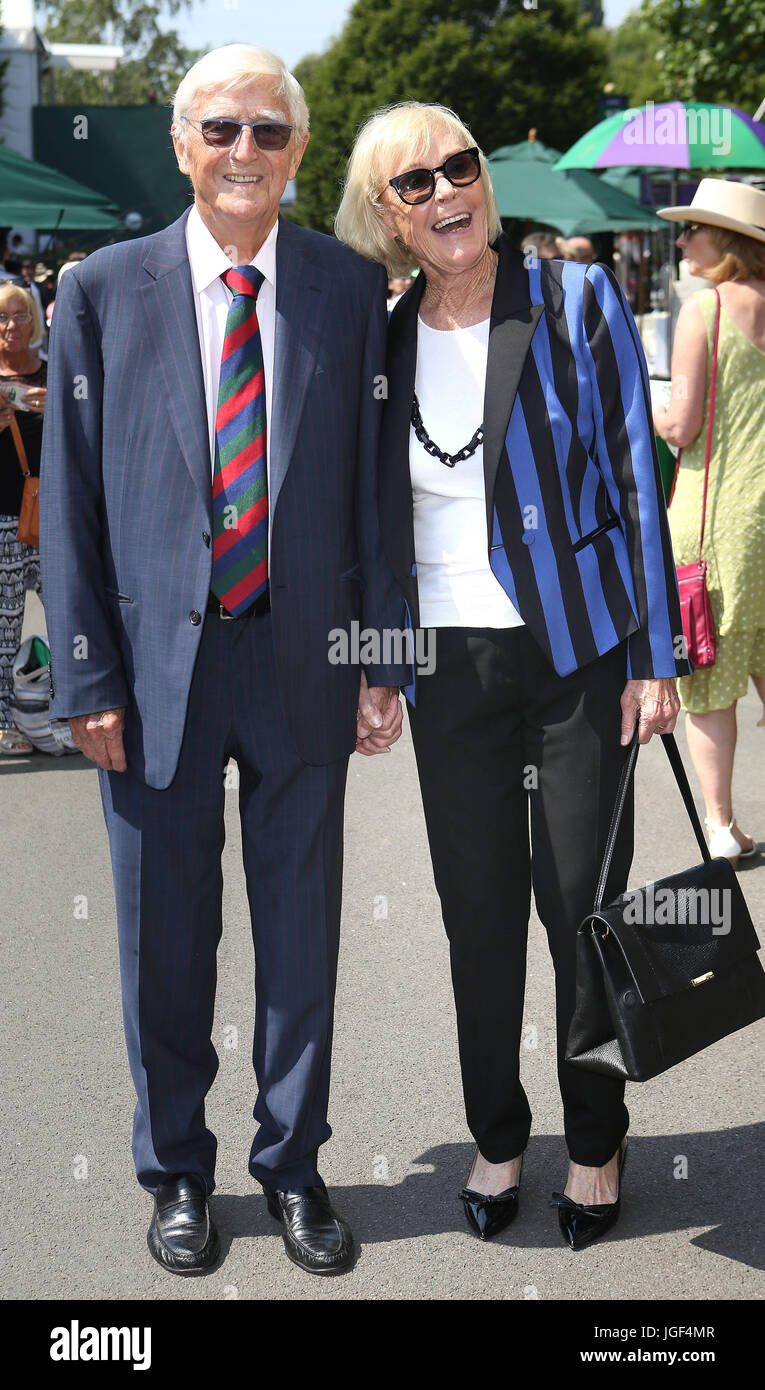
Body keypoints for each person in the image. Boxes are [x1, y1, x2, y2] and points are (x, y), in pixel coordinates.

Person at [40, 44, 406, 1279]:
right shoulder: (98, 291)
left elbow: (377, 498)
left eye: (266, 130)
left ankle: (294, 1167)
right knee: (165, 939)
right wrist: (84, 676)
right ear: (184, 146)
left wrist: (383, 660)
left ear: (298, 151)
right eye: (220, 129)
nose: (242, 150)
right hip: (150, 678)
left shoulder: (352, 292)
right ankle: (178, 1173)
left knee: (301, 936)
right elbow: (71, 499)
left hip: (305, 661)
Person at [335, 101, 689, 1250]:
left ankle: (594, 1141)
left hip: (578, 655)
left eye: (460, 166)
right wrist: (382, 668)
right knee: (476, 914)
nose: (447, 192)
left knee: (581, 909)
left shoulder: (578, 301)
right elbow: (376, 525)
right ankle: (498, 1133)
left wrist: (652, 660)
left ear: (484, 179)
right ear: (387, 216)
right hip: (451, 671)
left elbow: (637, 481)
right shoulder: (381, 341)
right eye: (415, 182)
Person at [654, 178, 765, 866]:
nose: (682, 239)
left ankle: (721, 826)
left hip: (715, 518)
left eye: (692, 228)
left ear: (723, 239)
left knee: (706, 682)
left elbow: (683, 422)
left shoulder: (704, 312)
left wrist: (648, 404)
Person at [0, 283, 46, 754]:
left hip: (53, 516)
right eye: (3, 318)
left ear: (34, 321)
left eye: (19, 316)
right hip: (2, 519)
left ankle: (67, 708)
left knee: (70, 614)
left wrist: (63, 409)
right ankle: (2, 719)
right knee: (4, 622)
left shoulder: (56, 375)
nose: (11, 326)